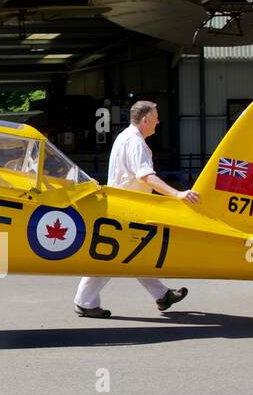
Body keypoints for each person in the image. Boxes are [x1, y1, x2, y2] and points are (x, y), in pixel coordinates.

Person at [74, 101, 201, 319]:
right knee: (114, 257)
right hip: (128, 210)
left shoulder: (126, 137)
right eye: (156, 117)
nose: (159, 121)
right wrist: (176, 194)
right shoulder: (135, 142)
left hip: (121, 206)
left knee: (132, 254)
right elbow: (145, 176)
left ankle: (162, 295)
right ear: (146, 119)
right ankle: (85, 302)